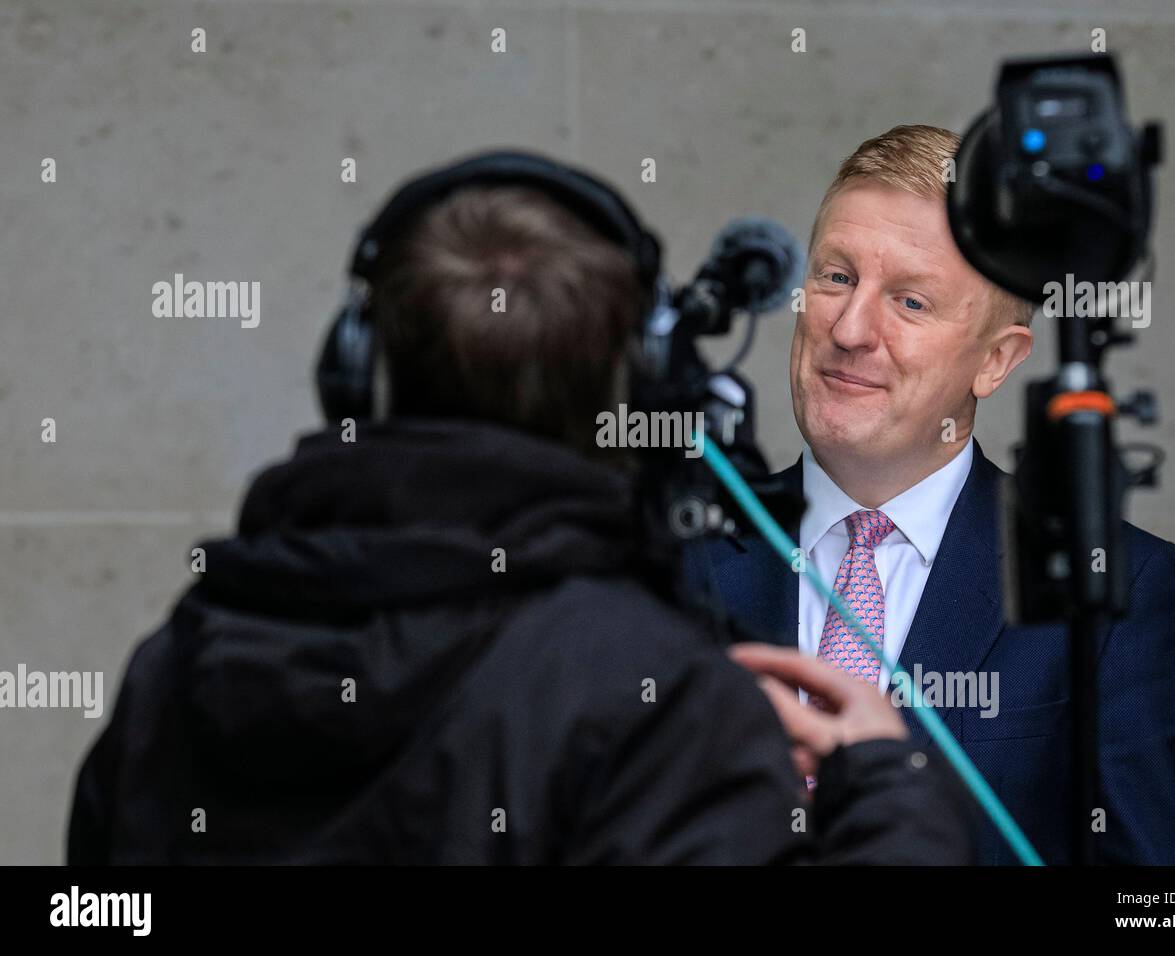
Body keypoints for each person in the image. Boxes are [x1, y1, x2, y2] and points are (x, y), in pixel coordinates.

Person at [67, 152, 973, 865]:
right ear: (641, 385)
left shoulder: (174, 666)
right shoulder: (652, 693)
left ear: (357, 369)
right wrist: (890, 795)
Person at [683, 126, 1175, 865]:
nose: (851, 327)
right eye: (836, 277)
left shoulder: (1112, 589)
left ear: (996, 361)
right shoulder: (680, 554)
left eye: (911, 302)